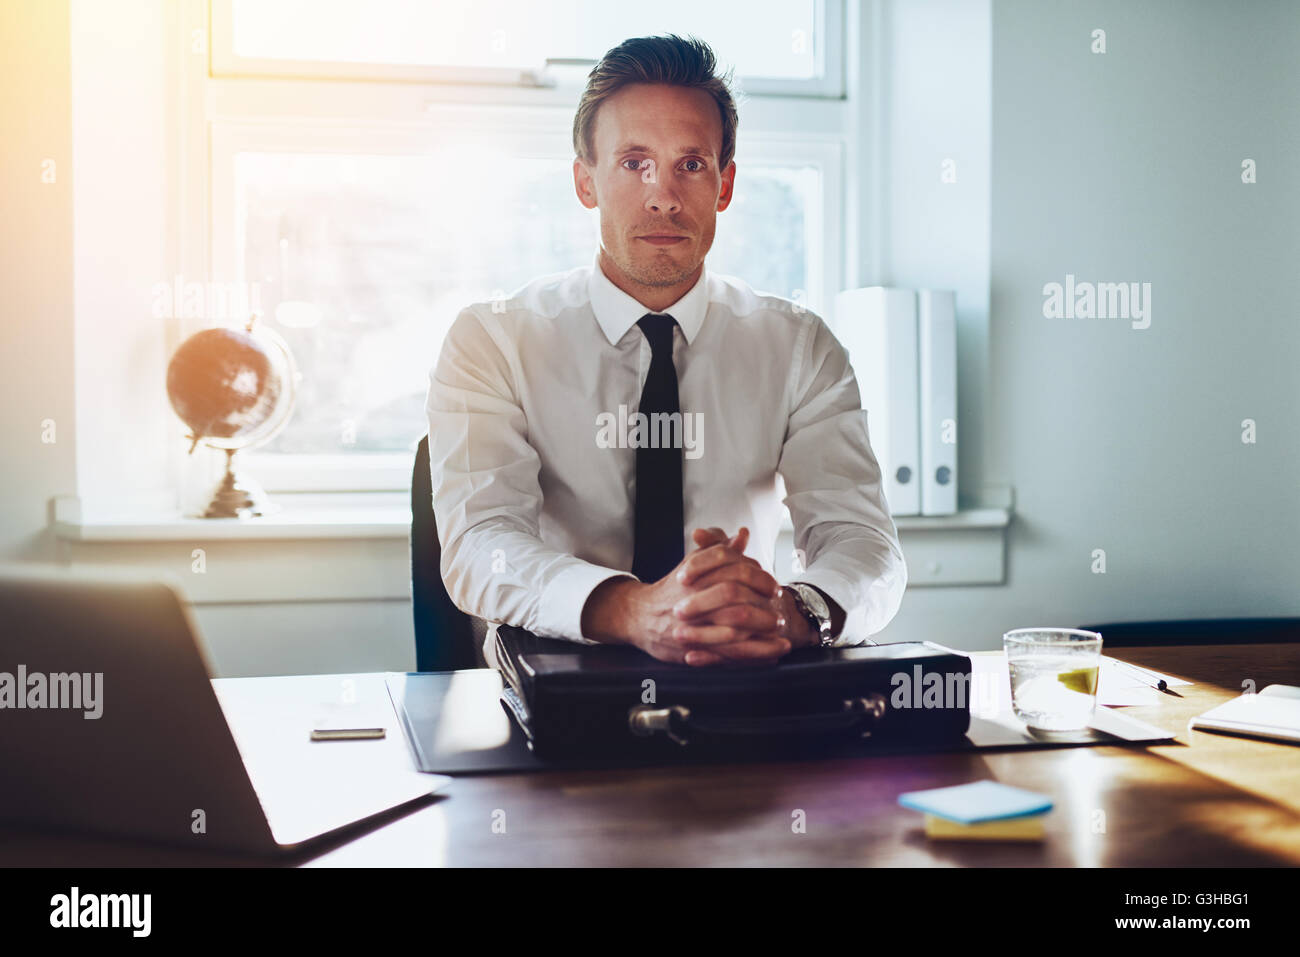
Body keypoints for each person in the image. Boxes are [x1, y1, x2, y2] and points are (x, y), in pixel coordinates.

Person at [426, 34, 906, 670]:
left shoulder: (798, 346)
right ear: (585, 181)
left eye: (691, 164)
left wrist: (794, 613)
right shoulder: (491, 341)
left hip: (743, 669)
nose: (664, 196)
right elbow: (480, 545)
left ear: (724, 185)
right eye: (633, 163)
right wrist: (636, 609)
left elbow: (861, 540)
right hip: (562, 676)